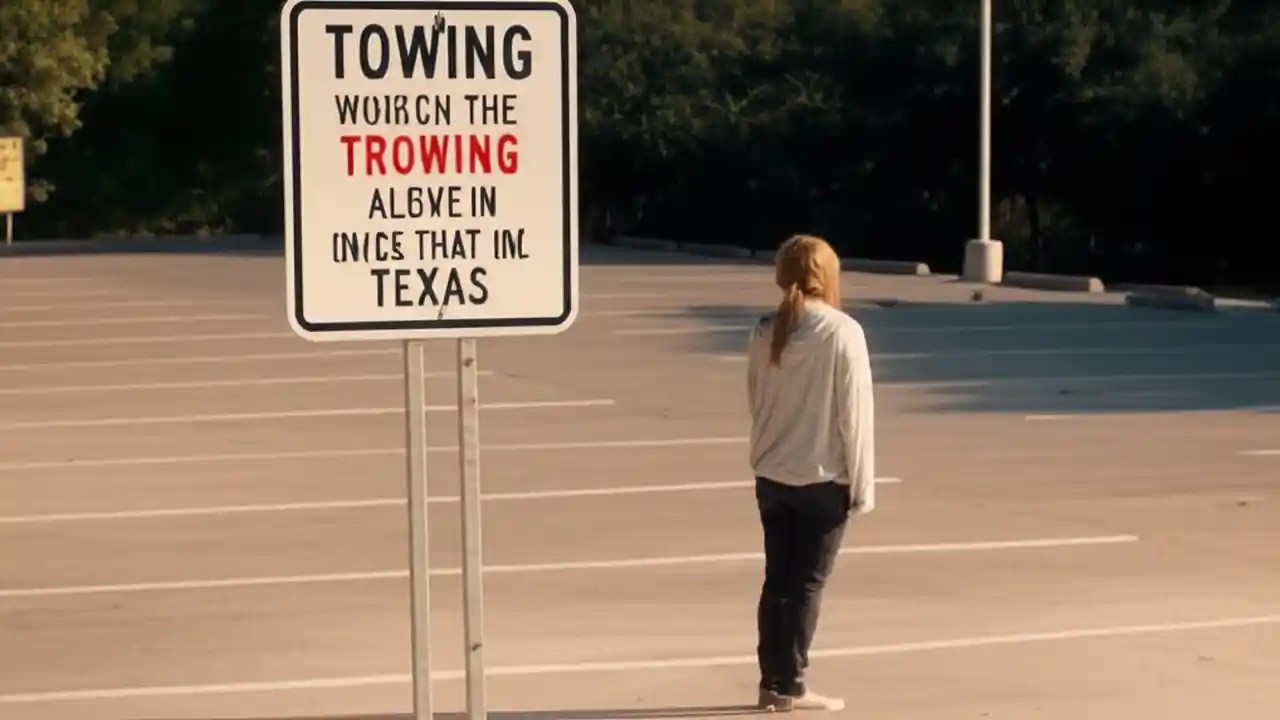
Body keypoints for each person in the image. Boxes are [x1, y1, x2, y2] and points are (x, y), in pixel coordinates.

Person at [746, 234, 876, 712]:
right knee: (805, 585)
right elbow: (855, 419)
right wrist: (862, 488)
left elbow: (756, 402)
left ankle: (770, 683)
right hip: (823, 482)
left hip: (772, 476)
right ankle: (793, 685)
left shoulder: (764, 330)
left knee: (777, 581)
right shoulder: (843, 333)